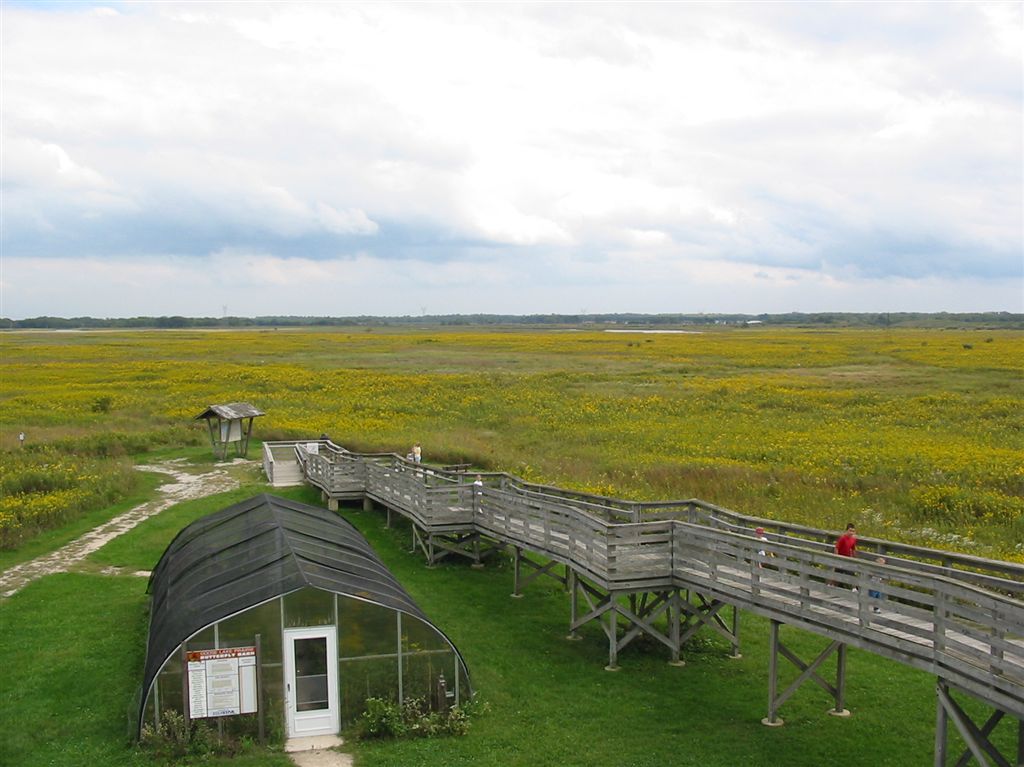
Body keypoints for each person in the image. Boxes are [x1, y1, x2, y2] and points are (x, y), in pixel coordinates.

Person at [833, 522, 858, 589]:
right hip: (840, 558)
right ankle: (832, 586)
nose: (851, 533)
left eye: (853, 531)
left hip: (847, 559)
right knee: (837, 573)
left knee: (851, 572)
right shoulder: (843, 538)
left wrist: (855, 558)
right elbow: (836, 548)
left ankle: (854, 588)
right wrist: (837, 558)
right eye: (850, 531)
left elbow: (853, 549)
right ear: (847, 530)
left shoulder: (853, 539)